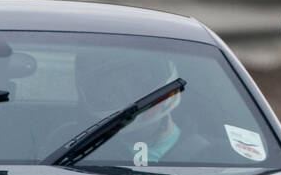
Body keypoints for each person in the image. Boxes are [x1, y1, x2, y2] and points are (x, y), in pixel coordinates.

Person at [71, 48, 210, 164]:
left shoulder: (214, 152)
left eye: (138, 80)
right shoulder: (71, 149)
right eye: (111, 87)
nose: (128, 94)